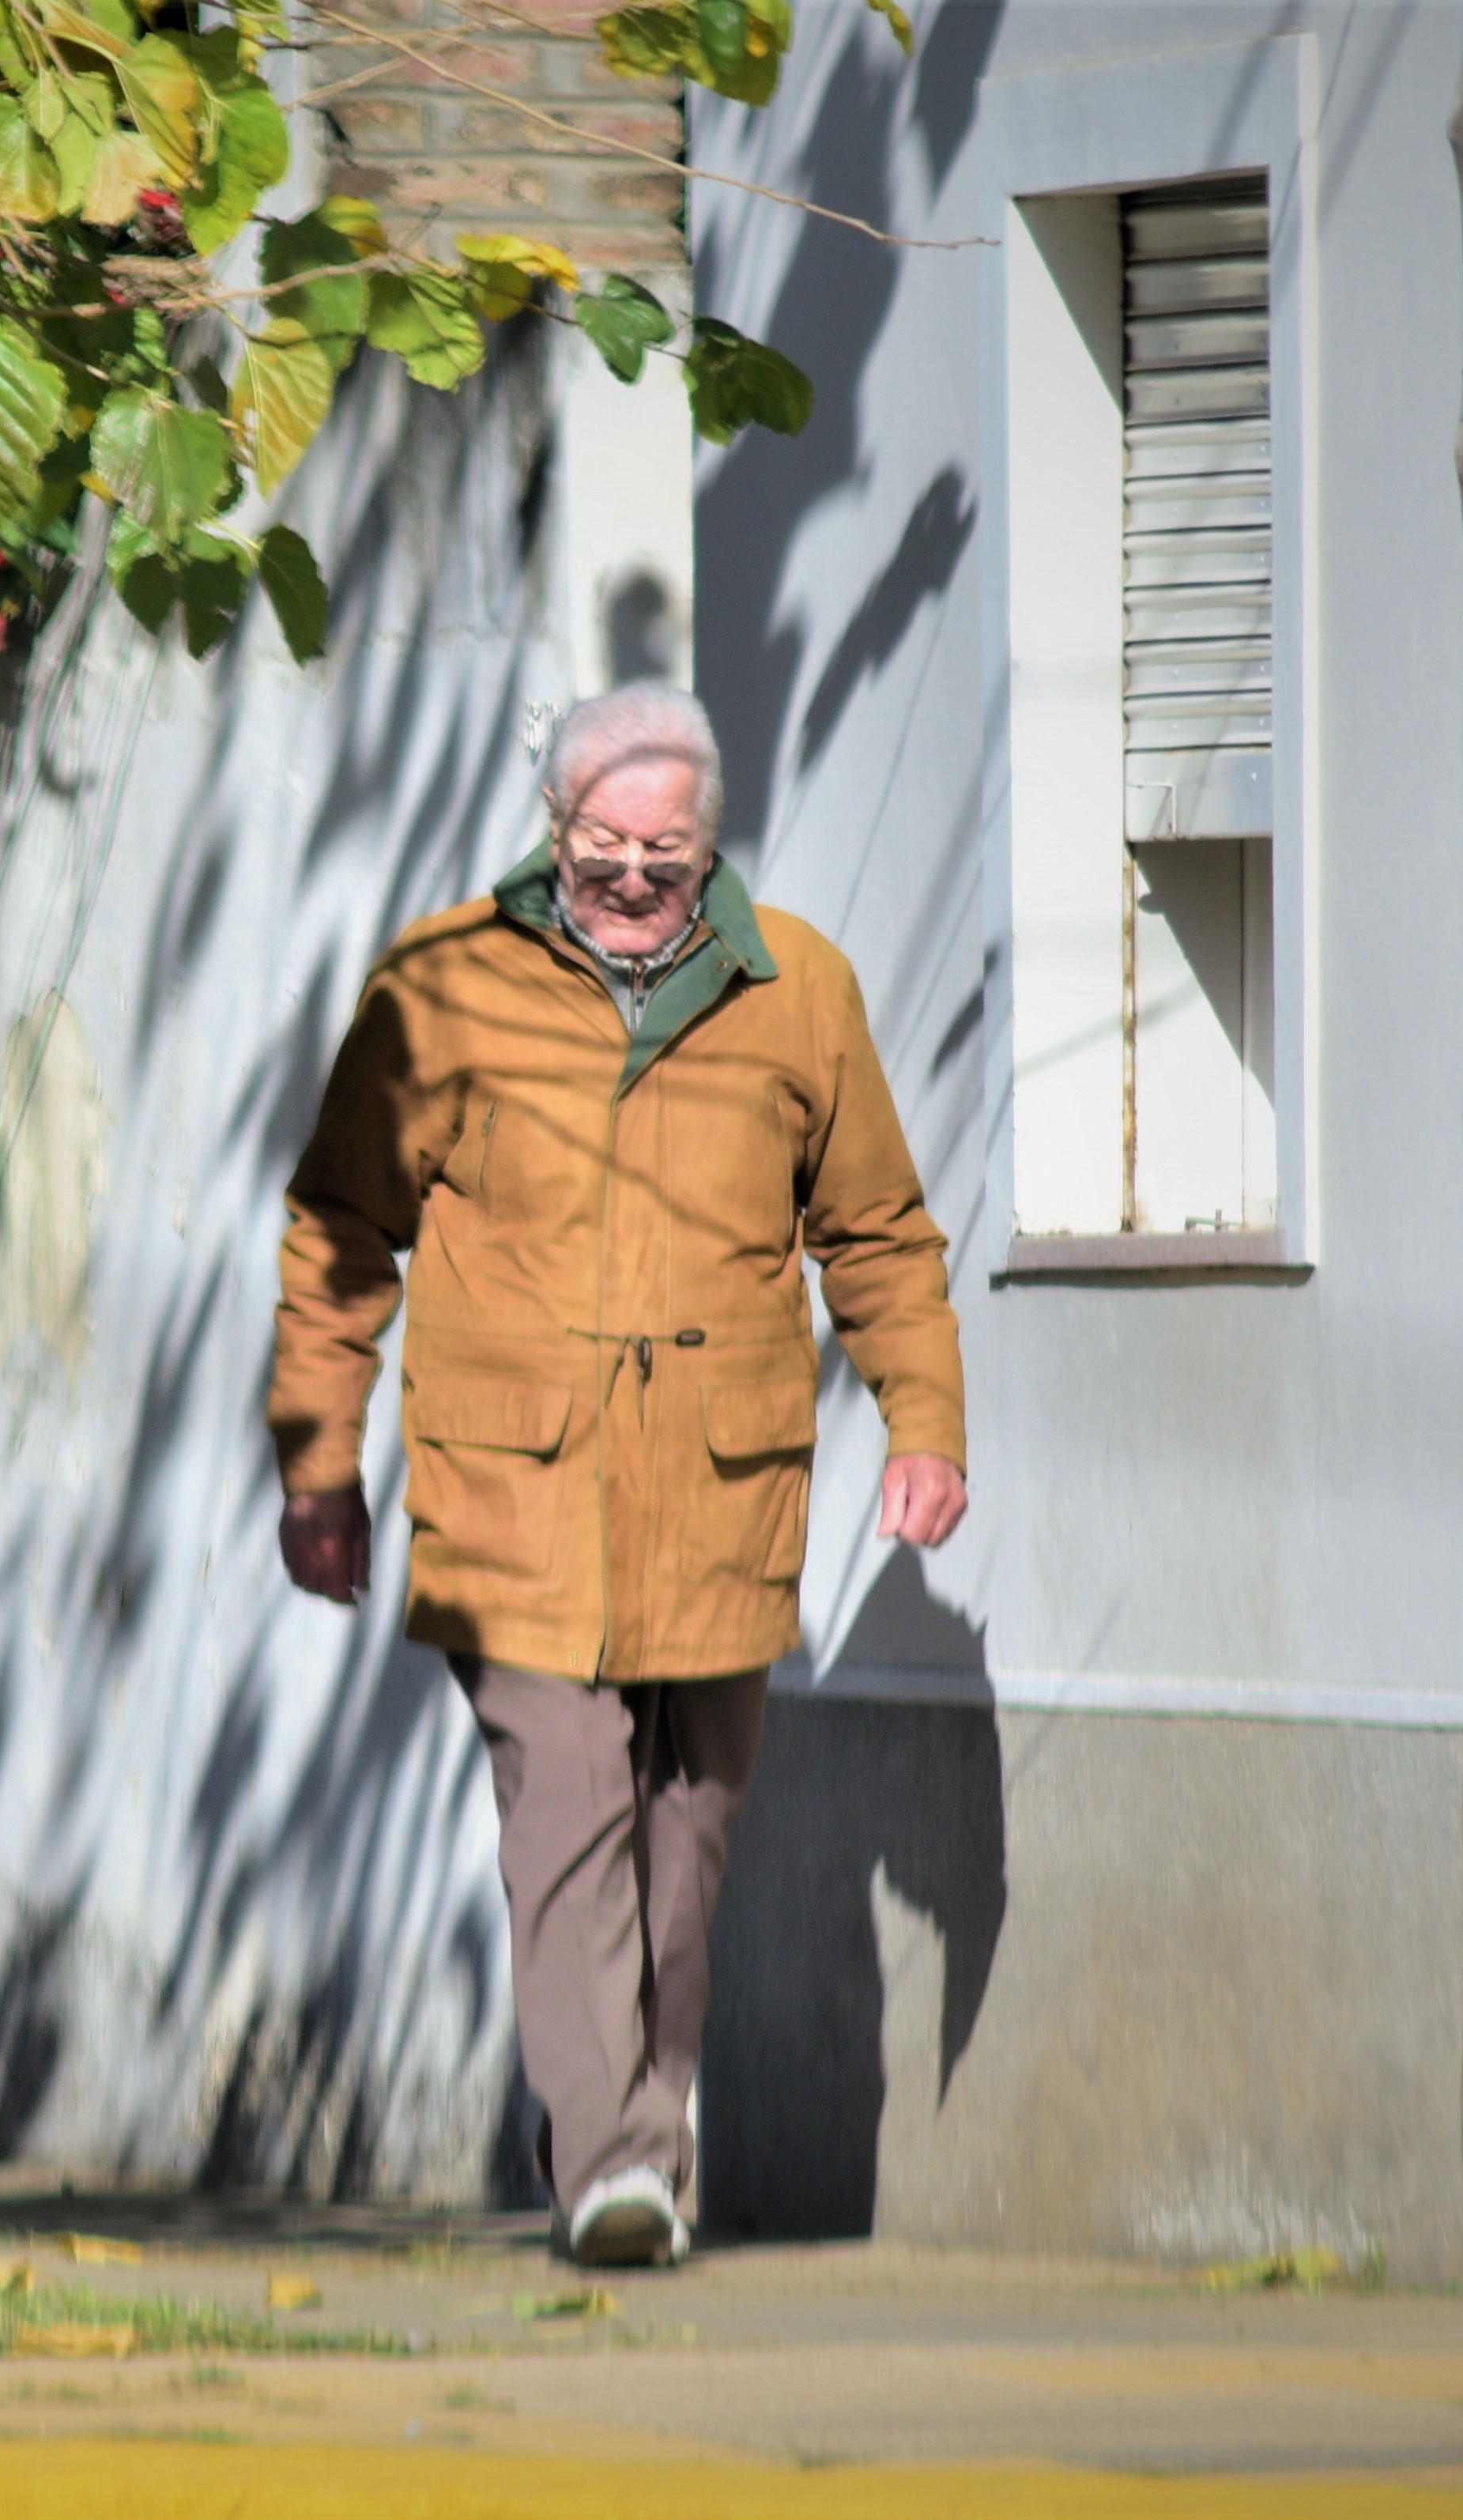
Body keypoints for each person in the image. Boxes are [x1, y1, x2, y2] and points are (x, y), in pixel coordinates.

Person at [267, 683, 968, 2267]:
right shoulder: (441, 986)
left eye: (666, 850)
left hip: (718, 1495)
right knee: (566, 1807)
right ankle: (615, 2162)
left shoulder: (797, 992)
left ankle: (613, 2129)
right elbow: (337, 1232)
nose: (637, 879)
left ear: (707, 839)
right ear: (553, 828)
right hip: (507, 1491)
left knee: (684, 1839)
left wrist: (922, 1420)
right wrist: (317, 1461)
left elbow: (873, 1233)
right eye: (605, 850)